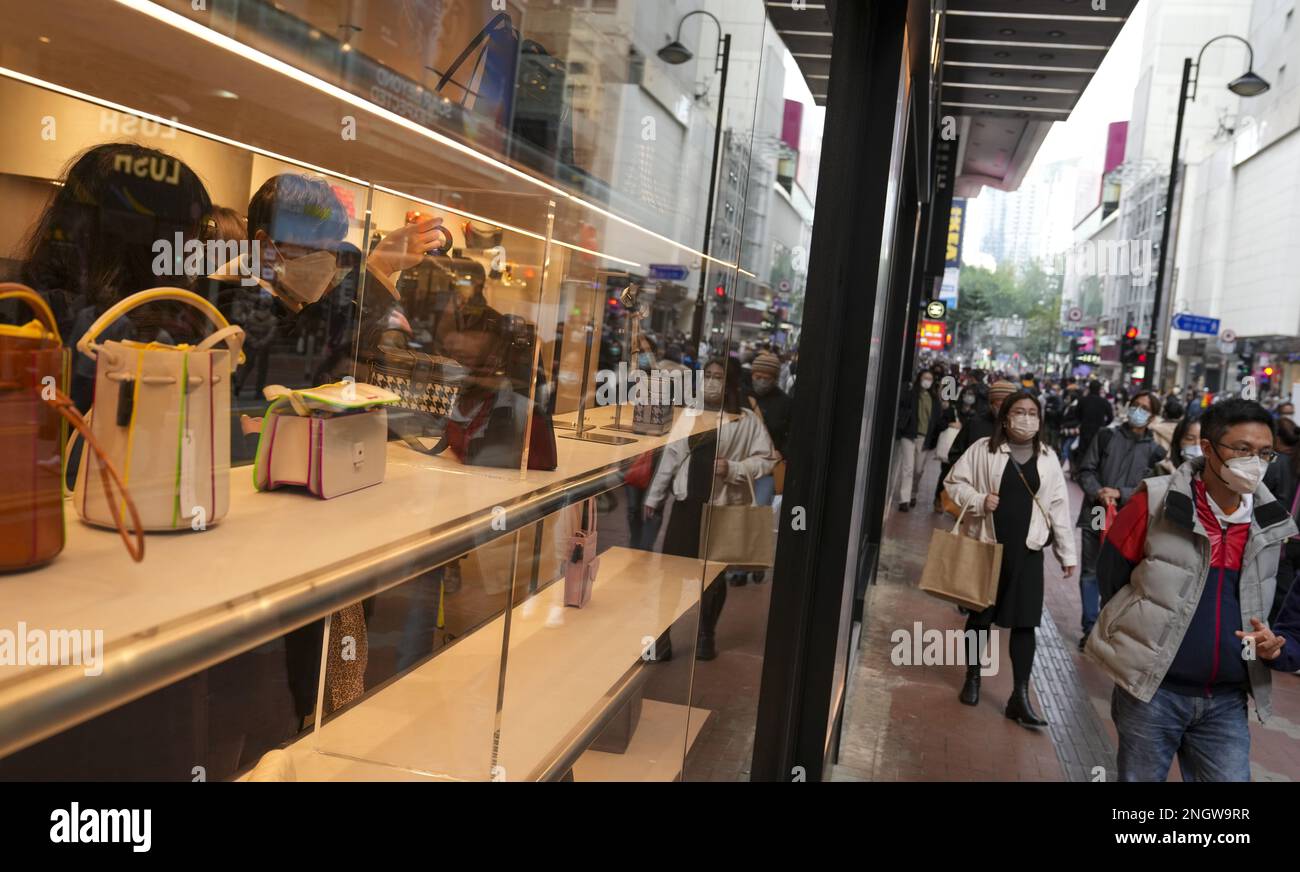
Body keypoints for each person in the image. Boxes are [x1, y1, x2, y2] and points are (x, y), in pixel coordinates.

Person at [1088, 399, 1297, 782]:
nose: (1255, 462)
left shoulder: (1273, 523)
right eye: (1243, 449)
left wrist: (1276, 644)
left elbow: (1280, 605)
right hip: (1152, 691)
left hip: (1226, 701)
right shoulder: (1155, 500)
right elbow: (1113, 577)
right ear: (1207, 448)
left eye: (1265, 452)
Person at [944, 392, 1077, 726]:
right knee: (980, 618)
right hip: (989, 545)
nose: (1027, 418)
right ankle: (972, 678)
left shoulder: (1047, 457)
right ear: (1005, 418)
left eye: (1033, 413)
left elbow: (1059, 507)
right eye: (1019, 411)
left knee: (1025, 624)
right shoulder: (984, 450)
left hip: (1029, 550)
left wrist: (1066, 553)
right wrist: (977, 500)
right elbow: (953, 483)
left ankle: (1019, 695)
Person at [644, 358, 774, 661]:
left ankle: (706, 635)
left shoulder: (745, 420)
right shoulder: (690, 415)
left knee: (713, 578)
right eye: (710, 376)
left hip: (722, 509)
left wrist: (734, 468)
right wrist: (655, 496)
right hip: (687, 505)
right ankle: (662, 639)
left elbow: (767, 459)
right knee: (672, 574)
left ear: (730, 383)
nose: (713, 382)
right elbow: (672, 458)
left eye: (720, 377)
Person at [1074, 389, 1166, 650]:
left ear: (1153, 416)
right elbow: (1086, 469)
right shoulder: (1106, 436)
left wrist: (1121, 493)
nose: (1138, 411)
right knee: (1090, 571)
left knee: (1119, 577)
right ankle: (1090, 627)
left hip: (1129, 520)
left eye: (1145, 408)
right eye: (1135, 405)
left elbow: (1154, 486)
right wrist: (1099, 492)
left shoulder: (1155, 451)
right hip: (1098, 510)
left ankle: (1108, 625)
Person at [893, 368, 943, 512]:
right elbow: (901, 403)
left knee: (918, 470)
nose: (927, 381)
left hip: (924, 438)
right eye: (924, 378)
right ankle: (904, 500)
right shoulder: (911, 393)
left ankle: (913, 493)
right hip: (909, 435)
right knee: (908, 467)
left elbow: (938, 420)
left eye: (930, 379)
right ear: (919, 379)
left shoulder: (934, 399)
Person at [746, 351, 791, 507]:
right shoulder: (742, 396)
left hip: (767, 468)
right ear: (752, 375)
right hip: (739, 463)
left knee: (757, 512)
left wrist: (783, 452)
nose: (762, 382)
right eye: (758, 377)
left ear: (775, 379)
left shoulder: (785, 403)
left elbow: (792, 435)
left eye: (767, 378)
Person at [1074, 380, 1114, 468]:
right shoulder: (1104, 402)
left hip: (1085, 428)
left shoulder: (1083, 400)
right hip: (1098, 431)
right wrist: (1104, 425)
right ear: (1100, 389)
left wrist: (1082, 421)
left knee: (1082, 451)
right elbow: (1111, 417)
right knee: (1096, 452)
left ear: (1089, 388)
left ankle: (1078, 471)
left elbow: (1076, 414)